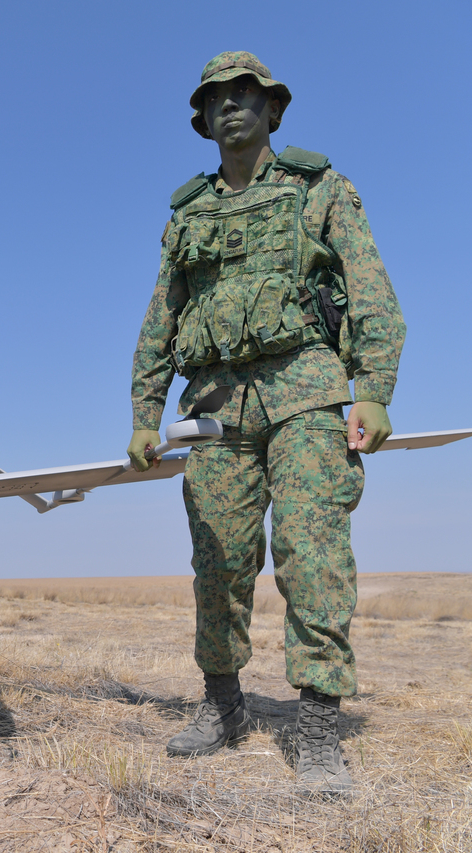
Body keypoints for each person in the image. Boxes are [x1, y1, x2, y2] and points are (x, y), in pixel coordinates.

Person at [127, 52, 405, 793]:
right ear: (202, 119)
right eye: (216, 98)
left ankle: (317, 727)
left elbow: (368, 287)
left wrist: (373, 388)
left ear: (272, 110)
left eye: (245, 94)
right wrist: (142, 413)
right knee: (218, 561)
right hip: (214, 408)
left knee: (311, 550)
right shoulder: (186, 214)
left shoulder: (320, 189)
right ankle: (221, 705)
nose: (231, 107)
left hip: (305, 391)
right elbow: (161, 318)